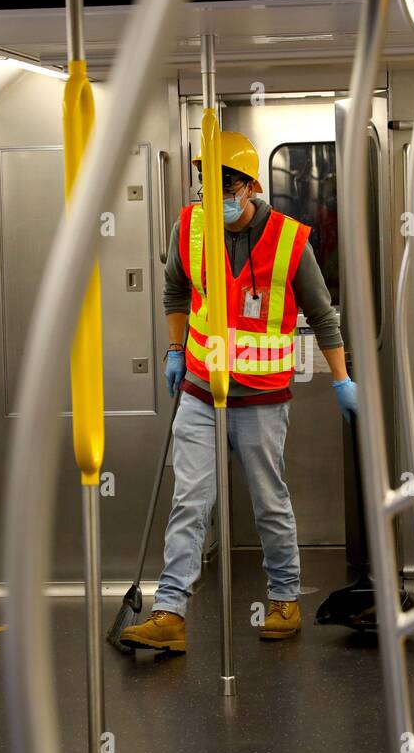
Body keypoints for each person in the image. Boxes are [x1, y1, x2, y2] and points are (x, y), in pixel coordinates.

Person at [120, 131, 357, 653]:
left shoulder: (290, 240)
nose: (216, 195)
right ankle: (170, 612)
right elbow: (175, 289)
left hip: (261, 397)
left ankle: (283, 599)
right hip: (203, 389)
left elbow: (321, 315)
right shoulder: (191, 226)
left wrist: (340, 378)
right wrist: (176, 350)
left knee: (268, 502)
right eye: (207, 183)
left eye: (226, 185)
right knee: (190, 499)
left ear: (251, 186)